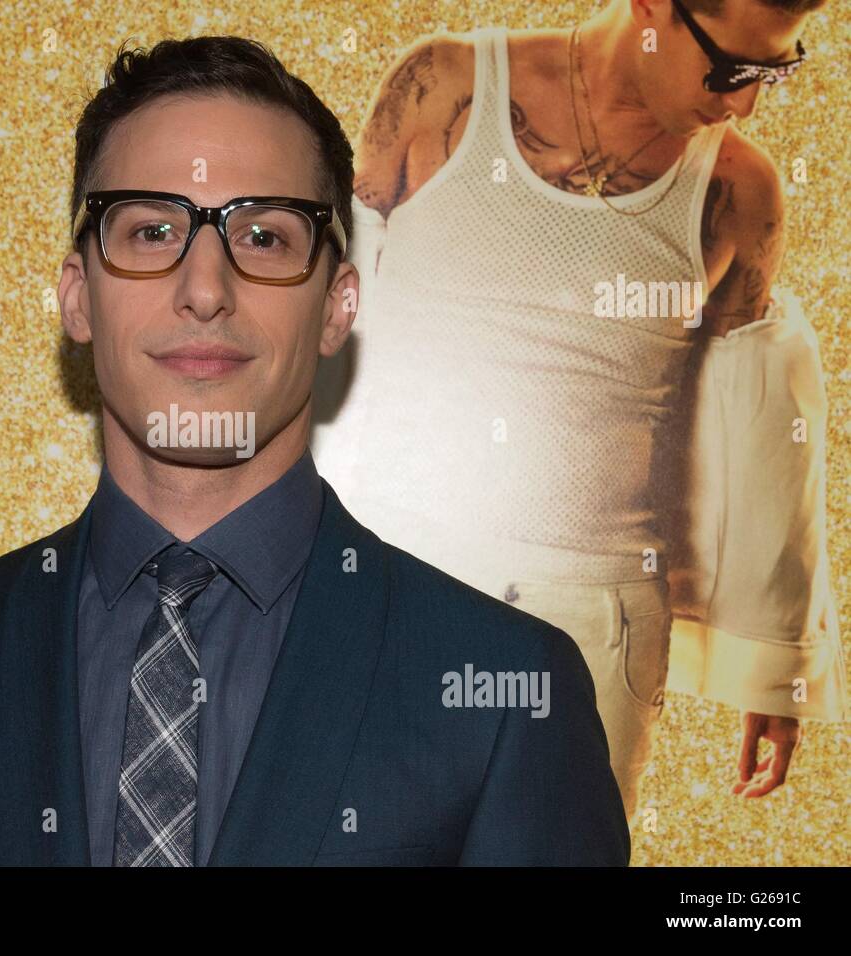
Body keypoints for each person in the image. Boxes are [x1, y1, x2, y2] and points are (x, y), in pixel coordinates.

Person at [0, 35, 630, 866]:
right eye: (153, 230)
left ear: (338, 305)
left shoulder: (510, 694)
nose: (205, 289)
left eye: (264, 236)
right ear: (78, 298)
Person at [312, 0, 847, 825]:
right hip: (398, 576)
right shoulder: (444, 85)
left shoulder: (739, 189)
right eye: (733, 71)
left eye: (774, 73)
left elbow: (761, 431)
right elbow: (321, 308)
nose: (744, 103)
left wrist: (775, 664)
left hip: (596, 621)